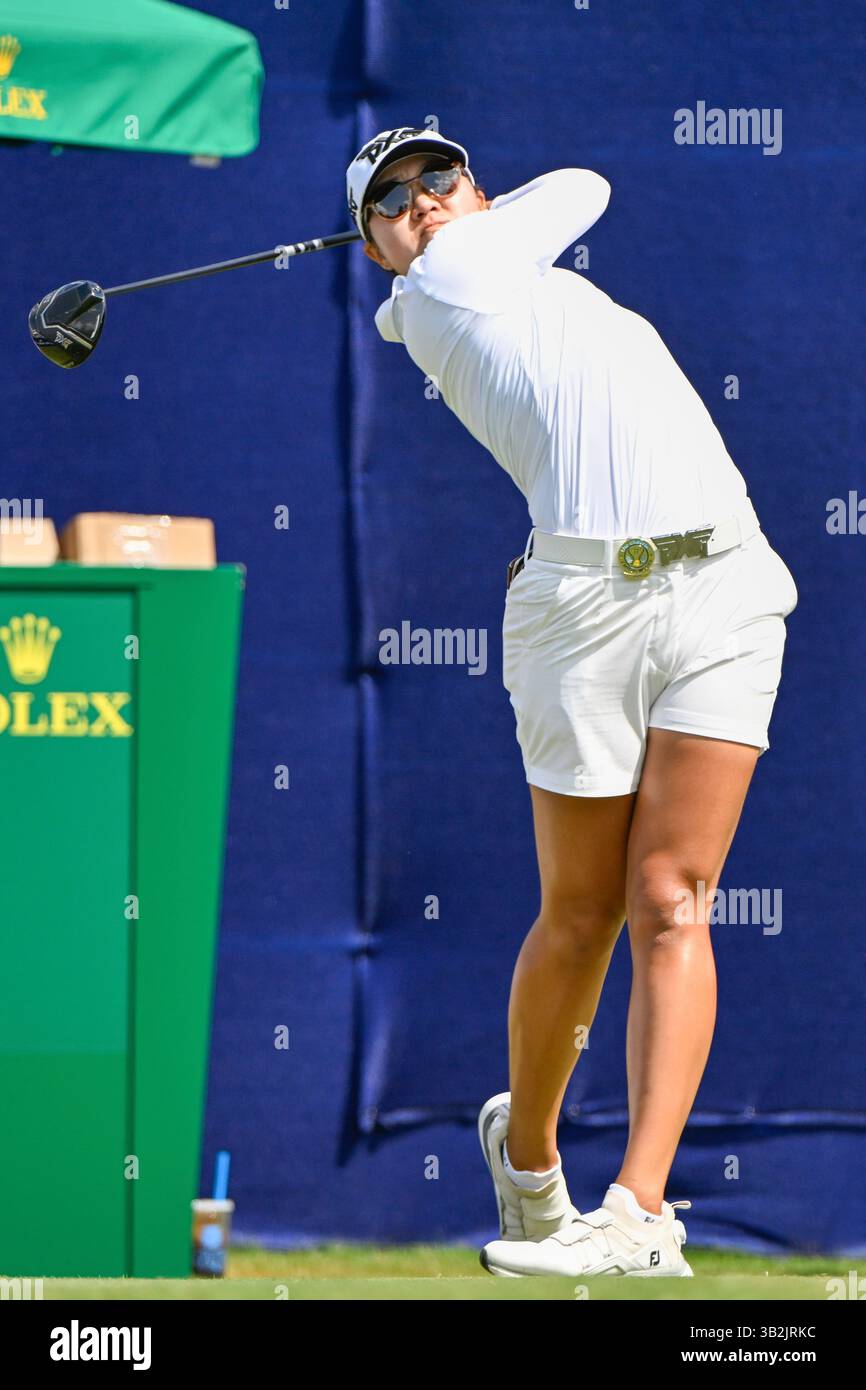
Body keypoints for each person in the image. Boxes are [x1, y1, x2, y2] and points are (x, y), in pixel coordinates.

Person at [346, 126, 798, 1278]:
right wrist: (449, 234)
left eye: (435, 178)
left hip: (723, 580)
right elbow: (586, 182)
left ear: (473, 186)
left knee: (671, 894)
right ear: (377, 253)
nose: (420, 202)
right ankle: (531, 1158)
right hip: (577, 610)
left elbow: (578, 192)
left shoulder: (498, 265)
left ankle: (641, 1211)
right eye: (388, 202)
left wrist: (444, 220)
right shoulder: (443, 289)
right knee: (581, 910)